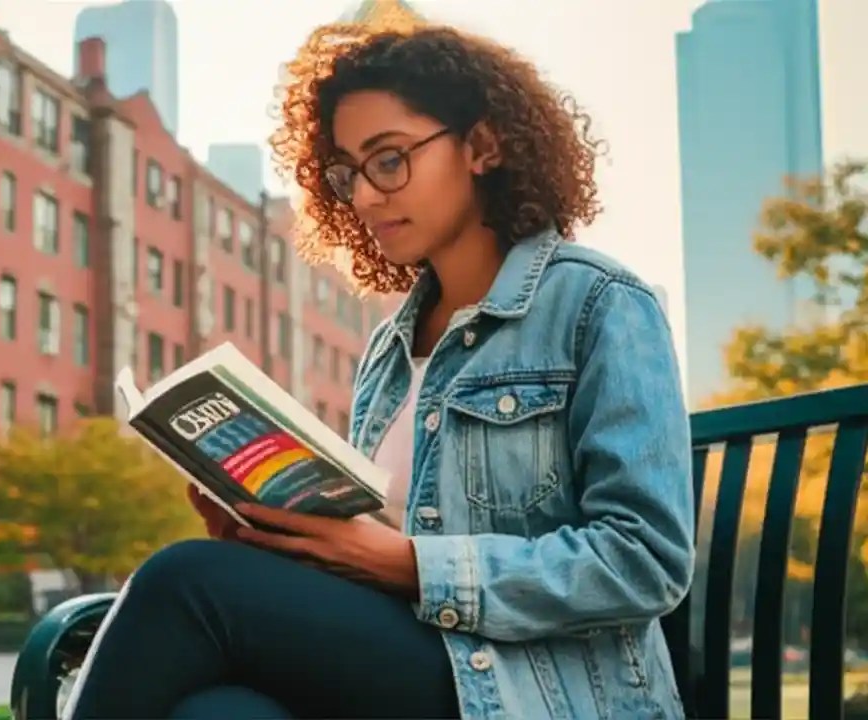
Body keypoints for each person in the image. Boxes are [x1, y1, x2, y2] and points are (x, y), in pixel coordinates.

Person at [63, 18, 695, 720]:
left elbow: (643, 560)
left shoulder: (600, 306)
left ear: (483, 145)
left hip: (537, 690)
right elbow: (366, 544)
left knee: (183, 581)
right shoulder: (389, 348)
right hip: (412, 666)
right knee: (219, 714)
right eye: (347, 173)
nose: (363, 196)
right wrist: (284, 540)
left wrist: (405, 564)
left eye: (388, 159)